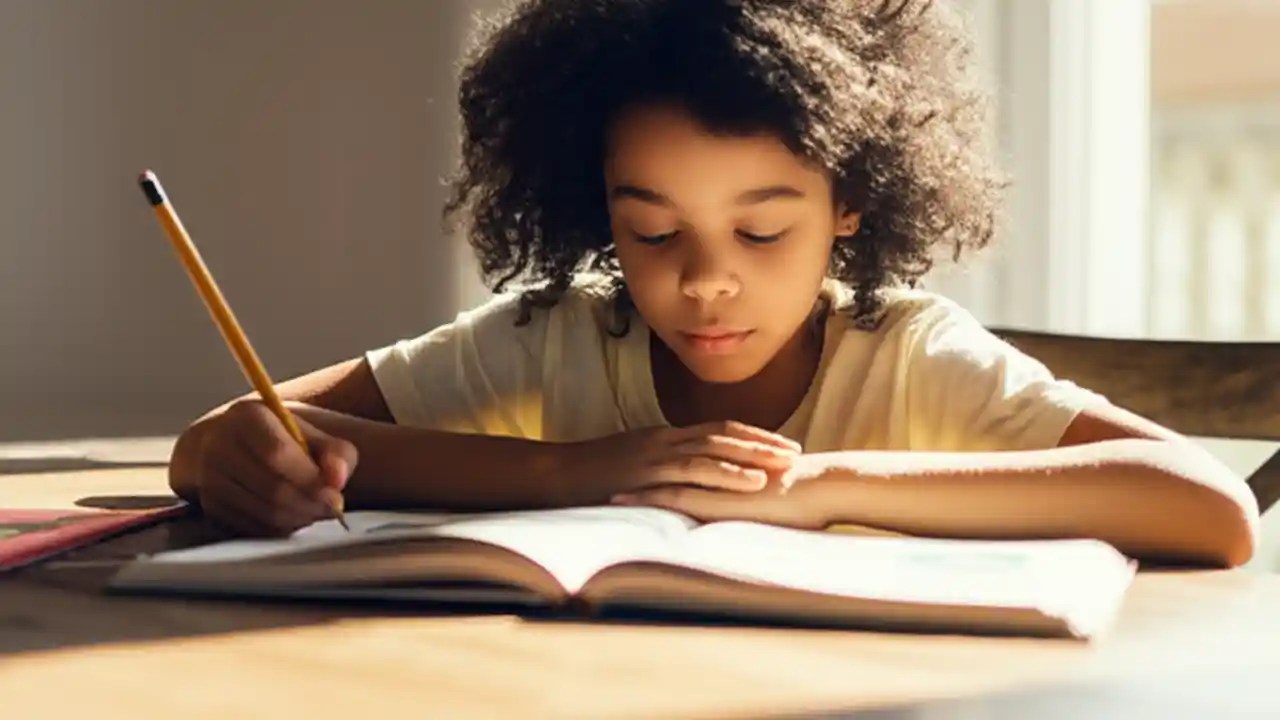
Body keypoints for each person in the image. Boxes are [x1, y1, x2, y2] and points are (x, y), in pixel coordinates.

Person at [168, 0, 1258, 566]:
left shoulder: (911, 351)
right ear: (597, 210)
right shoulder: (557, 337)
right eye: (650, 232)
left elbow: (1208, 508)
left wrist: (827, 488)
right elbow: (229, 431)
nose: (703, 283)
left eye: (762, 231)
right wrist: (586, 471)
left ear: (850, 206)